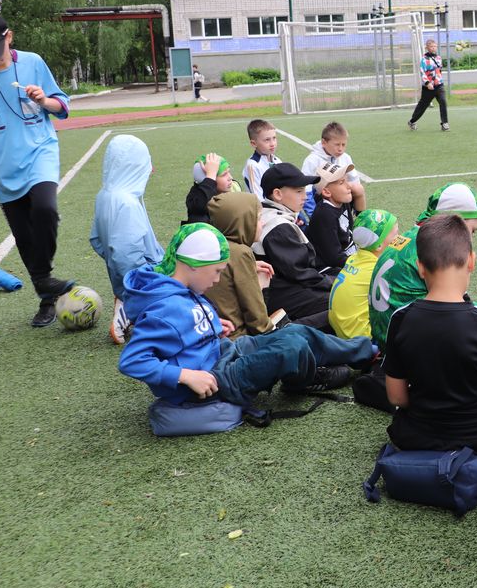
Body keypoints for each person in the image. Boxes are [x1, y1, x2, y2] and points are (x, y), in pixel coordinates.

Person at [118, 223, 369, 417]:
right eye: (216, 271)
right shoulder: (164, 308)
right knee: (292, 347)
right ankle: (303, 379)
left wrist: (213, 329)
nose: (217, 280)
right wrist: (185, 376)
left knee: (297, 333)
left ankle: (369, 351)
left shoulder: (180, 291)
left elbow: (184, 329)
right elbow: (131, 360)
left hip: (222, 351)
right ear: (194, 265)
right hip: (215, 379)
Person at [383, 214, 477, 460]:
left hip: (417, 435)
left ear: (420, 267)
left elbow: (397, 397)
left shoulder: (401, 319)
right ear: (471, 262)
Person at [0, 10, 74, 326]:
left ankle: (43, 278)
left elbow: (63, 106)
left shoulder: (33, 63)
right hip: (2, 170)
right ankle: (46, 294)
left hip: (40, 153)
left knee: (46, 209)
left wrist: (44, 101)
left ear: (8, 37)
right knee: (24, 237)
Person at [89, 135, 164, 345]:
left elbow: (96, 239)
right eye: (145, 163)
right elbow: (126, 254)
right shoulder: (126, 203)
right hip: (147, 278)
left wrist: (114, 264)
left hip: (123, 278)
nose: (151, 169)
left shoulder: (105, 194)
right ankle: (132, 308)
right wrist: (141, 284)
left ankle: (128, 302)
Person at [255, 162, 332, 330]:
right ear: (277, 194)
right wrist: (331, 283)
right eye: (299, 191)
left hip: (283, 287)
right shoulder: (278, 226)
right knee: (339, 300)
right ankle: (285, 329)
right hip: (279, 293)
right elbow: (300, 273)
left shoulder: (270, 213)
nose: (305, 196)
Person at [206, 191, 277, 337]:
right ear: (242, 221)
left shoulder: (213, 246)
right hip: (237, 338)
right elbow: (257, 319)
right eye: (257, 218)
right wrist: (272, 332)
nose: (262, 223)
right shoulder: (240, 253)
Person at [328, 209, 398, 340]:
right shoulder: (379, 269)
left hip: (341, 329)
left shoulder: (354, 258)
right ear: (378, 246)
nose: (400, 238)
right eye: (396, 234)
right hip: (361, 338)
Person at [300, 121, 366, 218]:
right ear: (324, 143)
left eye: (343, 145)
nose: (340, 149)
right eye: (337, 144)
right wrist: (314, 215)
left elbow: (354, 180)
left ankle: (361, 219)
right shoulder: (312, 160)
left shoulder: (345, 157)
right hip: (322, 196)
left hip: (341, 193)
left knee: (358, 188)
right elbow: (306, 189)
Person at [303, 162, 357, 275]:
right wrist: (359, 264)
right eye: (342, 183)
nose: (349, 186)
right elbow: (333, 258)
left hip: (347, 255)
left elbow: (351, 229)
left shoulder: (342, 201)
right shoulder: (324, 215)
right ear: (327, 192)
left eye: (347, 180)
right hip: (326, 267)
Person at [409, 39, 450, 131]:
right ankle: (412, 121)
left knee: (443, 101)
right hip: (428, 88)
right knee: (423, 106)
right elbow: (422, 72)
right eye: (431, 46)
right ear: (427, 47)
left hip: (439, 85)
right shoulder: (424, 59)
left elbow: (439, 70)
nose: (434, 48)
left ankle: (445, 123)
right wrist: (427, 83)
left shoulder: (439, 58)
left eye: (435, 46)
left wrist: (438, 80)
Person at [183, 152, 234, 225]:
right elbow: (200, 206)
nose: (230, 178)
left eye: (229, 172)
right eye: (224, 174)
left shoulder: (234, 189)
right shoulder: (196, 199)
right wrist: (211, 176)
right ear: (205, 180)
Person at [242, 119, 279, 203]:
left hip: (279, 208)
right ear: (254, 143)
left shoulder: (277, 160)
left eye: (274, 138)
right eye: (267, 140)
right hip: (265, 211)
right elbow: (258, 199)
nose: (272, 143)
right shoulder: (253, 165)